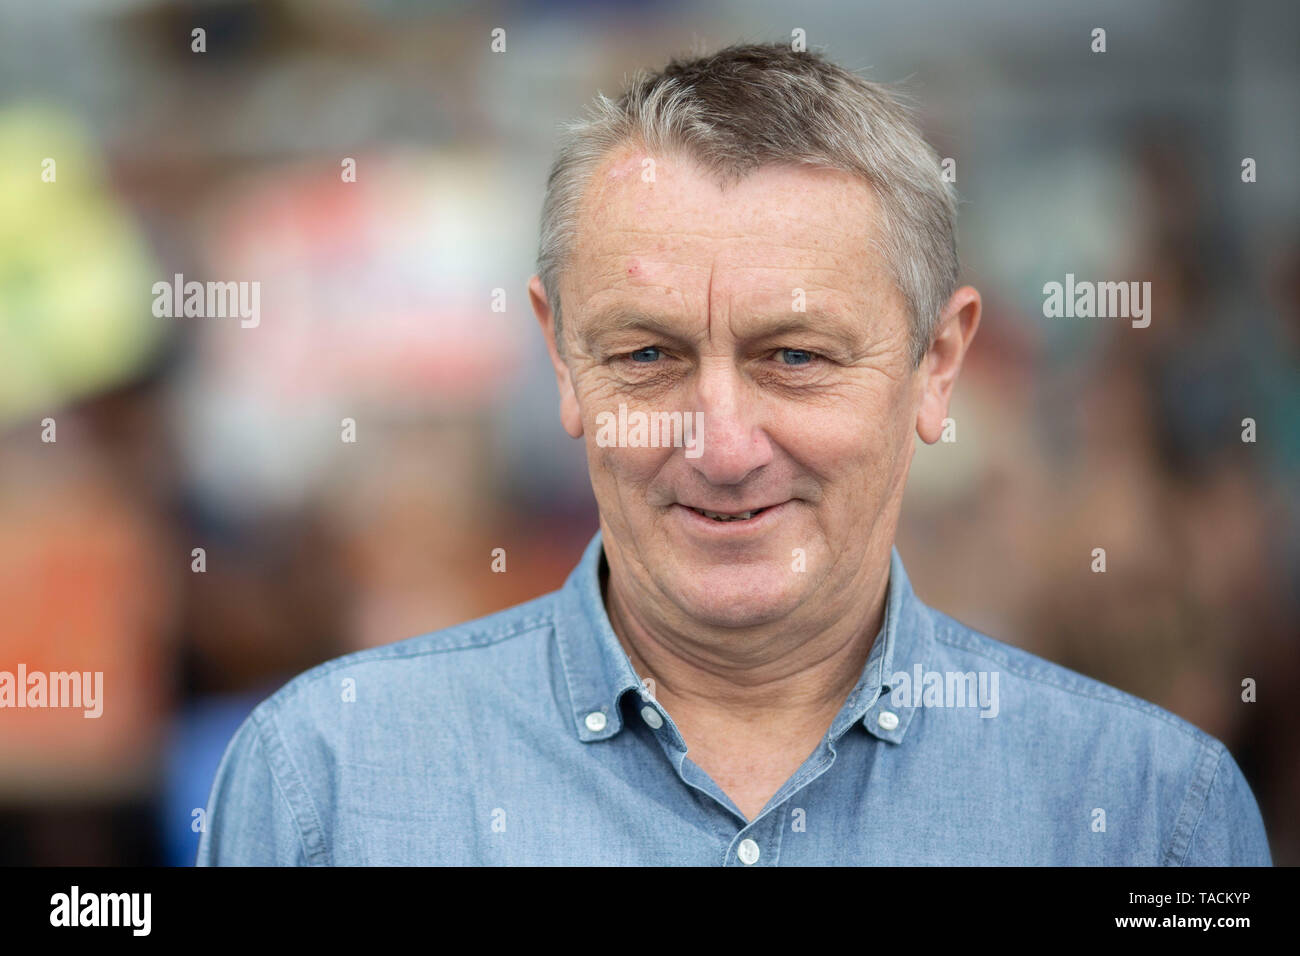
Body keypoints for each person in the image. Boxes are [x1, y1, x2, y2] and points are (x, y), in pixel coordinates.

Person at [197, 42, 1270, 865]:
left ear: (938, 364)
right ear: (561, 361)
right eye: (648, 353)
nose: (719, 446)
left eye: (795, 356)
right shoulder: (324, 785)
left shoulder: (1149, 813)